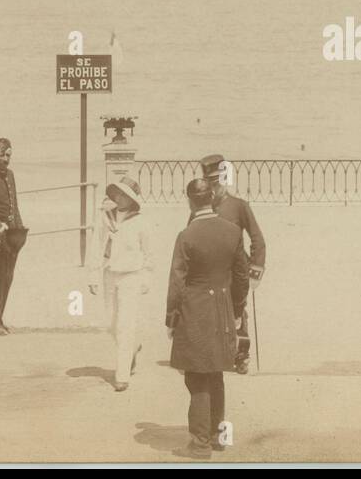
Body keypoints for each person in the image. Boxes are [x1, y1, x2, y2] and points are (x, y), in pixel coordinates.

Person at [167, 178, 250, 459]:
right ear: (212, 197)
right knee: (215, 373)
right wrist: (237, 311)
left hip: (195, 309)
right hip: (223, 307)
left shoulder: (186, 235)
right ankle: (218, 435)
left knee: (197, 377)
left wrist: (171, 318)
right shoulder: (232, 231)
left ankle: (200, 444)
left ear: (190, 201)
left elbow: (177, 283)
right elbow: (241, 276)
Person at [194, 154, 266, 374]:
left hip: (237, 269)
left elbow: (257, 239)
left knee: (238, 310)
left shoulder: (239, 206)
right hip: (210, 269)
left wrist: (255, 270)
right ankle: (215, 353)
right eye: (210, 183)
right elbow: (192, 235)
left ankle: (241, 355)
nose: (215, 188)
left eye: (218, 182)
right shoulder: (201, 207)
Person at [87, 176, 151, 391]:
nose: (119, 197)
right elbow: (96, 246)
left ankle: (122, 375)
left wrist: (146, 278)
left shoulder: (141, 221)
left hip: (131, 276)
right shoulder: (106, 218)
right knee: (111, 323)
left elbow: (148, 252)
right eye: (117, 193)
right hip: (109, 275)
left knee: (125, 325)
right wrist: (93, 276)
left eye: (124, 194)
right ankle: (132, 349)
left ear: (132, 199)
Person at [0, 138, 26, 336]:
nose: (5, 159)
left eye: (8, 155)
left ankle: (0, 317)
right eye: (1, 155)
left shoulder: (10, 175)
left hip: (13, 233)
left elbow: (14, 203)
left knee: (8, 277)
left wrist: (19, 227)